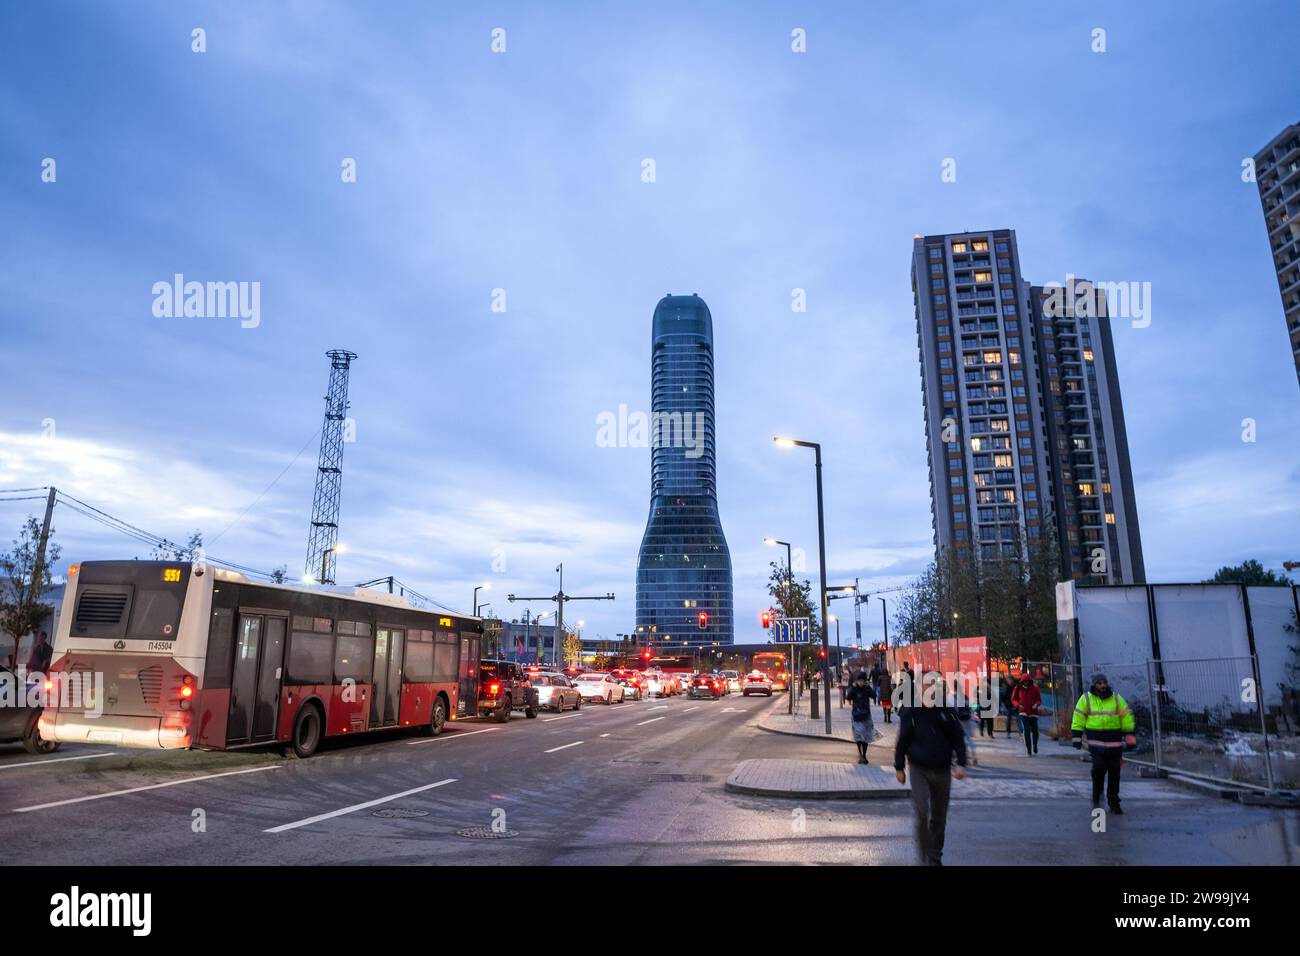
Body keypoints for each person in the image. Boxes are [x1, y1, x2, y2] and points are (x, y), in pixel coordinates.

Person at [895, 682, 968, 866]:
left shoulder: (947, 711)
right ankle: (923, 856)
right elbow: (902, 739)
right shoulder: (912, 711)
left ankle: (934, 857)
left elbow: (958, 737)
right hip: (919, 768)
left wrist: (961, 762)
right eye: (926, 685)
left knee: (939, 817)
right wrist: (899, 767)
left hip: (942, 769)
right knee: (922, 812)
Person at [1071, 672, 1137, 814]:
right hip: (1096, 742)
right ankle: (1097, 793)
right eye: (1100, 683)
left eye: (1104, 683)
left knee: (1114, 772)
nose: (1103, 686)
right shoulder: (1086, 699)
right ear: (1094, 684)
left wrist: (1129, 734)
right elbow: (1078, 717)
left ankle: (1114, 801)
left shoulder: (1116, 699)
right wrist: (1076, 736)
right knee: (1099, 768)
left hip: (1114, 743)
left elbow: (1126, 716)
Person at [846, 671, 877, 764]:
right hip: (856, 715)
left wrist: (869, 687)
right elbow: (848, 697)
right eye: (859, 680)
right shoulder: (854, 689)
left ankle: (864, 755)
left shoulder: (866, 689)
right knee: (859, 736)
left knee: (866, 737)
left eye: (862, 681)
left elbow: (874, 695)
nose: (861, 682)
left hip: (866, 715)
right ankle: (860, 754)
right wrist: (853, 687)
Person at [1011, 673, 1042, 755]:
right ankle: (1029, 749)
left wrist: (1036, 704)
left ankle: (1035, 744)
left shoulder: (1035, 688)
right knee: (1027, 730)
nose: (1026, 683)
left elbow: (1039, 700)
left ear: (1030, 681)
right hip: (1023, 712)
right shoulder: (1017, 688)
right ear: (1022, 682)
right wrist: (1018, 705)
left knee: (1035, 731)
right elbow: (1013, 699)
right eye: (1024, 682)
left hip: (1033, 713)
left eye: (1028, 682)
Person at [998, 672, 1015, 737]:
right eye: (1009, 679)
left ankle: (1021, 732)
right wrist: (1004, 704)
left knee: (1020, 718)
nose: (1010, 680)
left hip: (1015, 705)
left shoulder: (1015, 686)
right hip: (1008, 705)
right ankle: (1008, 732)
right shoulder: (1005, 687)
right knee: (1009, 718)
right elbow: (1002, 697)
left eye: (1011, 679)